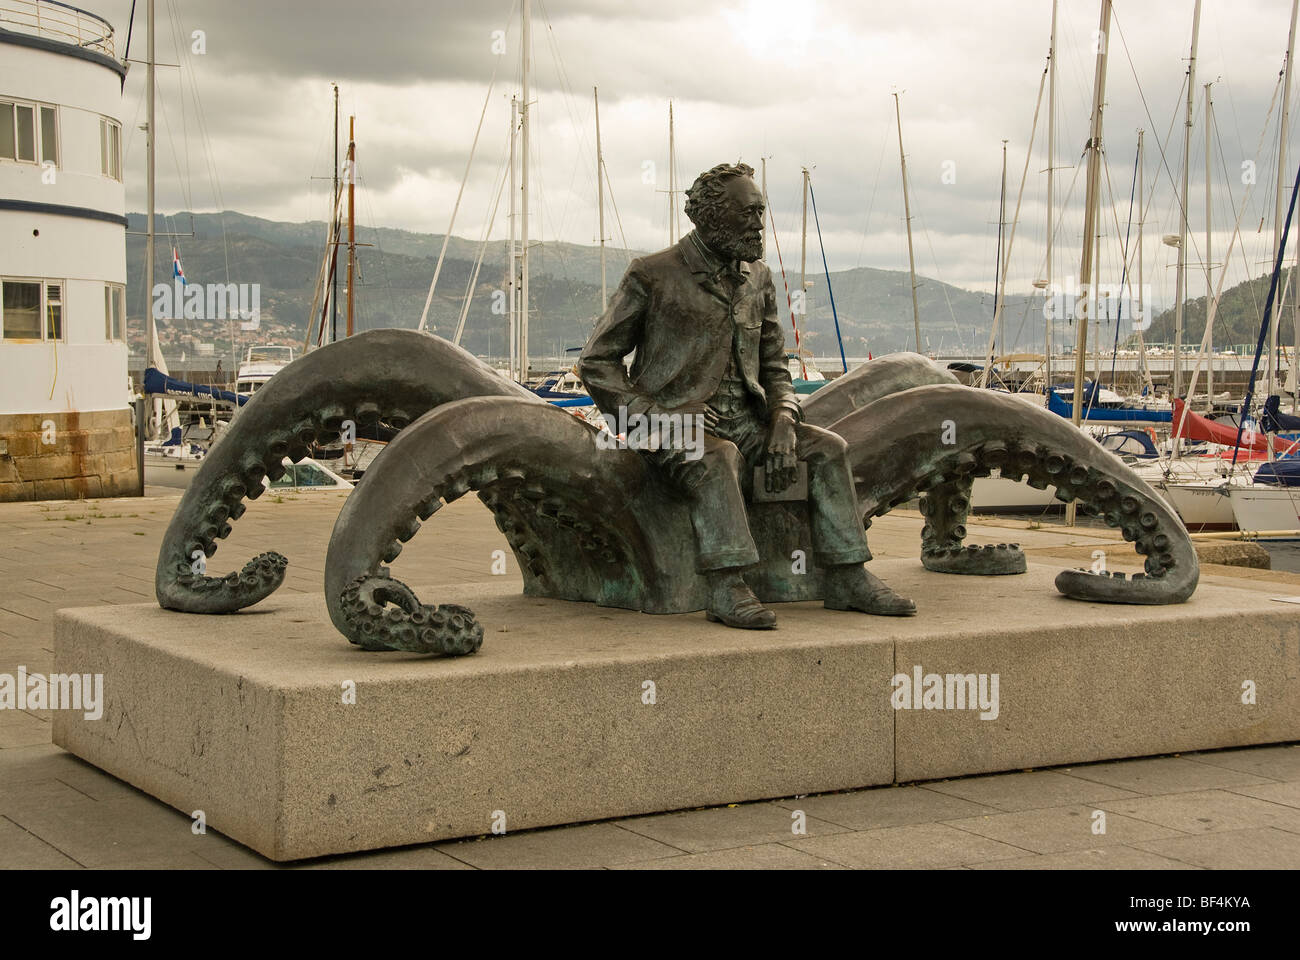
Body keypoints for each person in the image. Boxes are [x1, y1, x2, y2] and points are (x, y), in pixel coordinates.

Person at [578, 162, 915, 629]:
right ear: (712, 217)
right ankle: (727, 585)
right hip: (669, 428)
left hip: (748, 422)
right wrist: (658, 417)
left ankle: (847, 575)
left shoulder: (758, 278)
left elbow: (776, 364)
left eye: (761, 212)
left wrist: (782, 419)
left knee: (828, 450)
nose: (759, 224)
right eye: (749, 213)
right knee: (717, 459)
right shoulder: (652, 274)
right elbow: (596, 362)